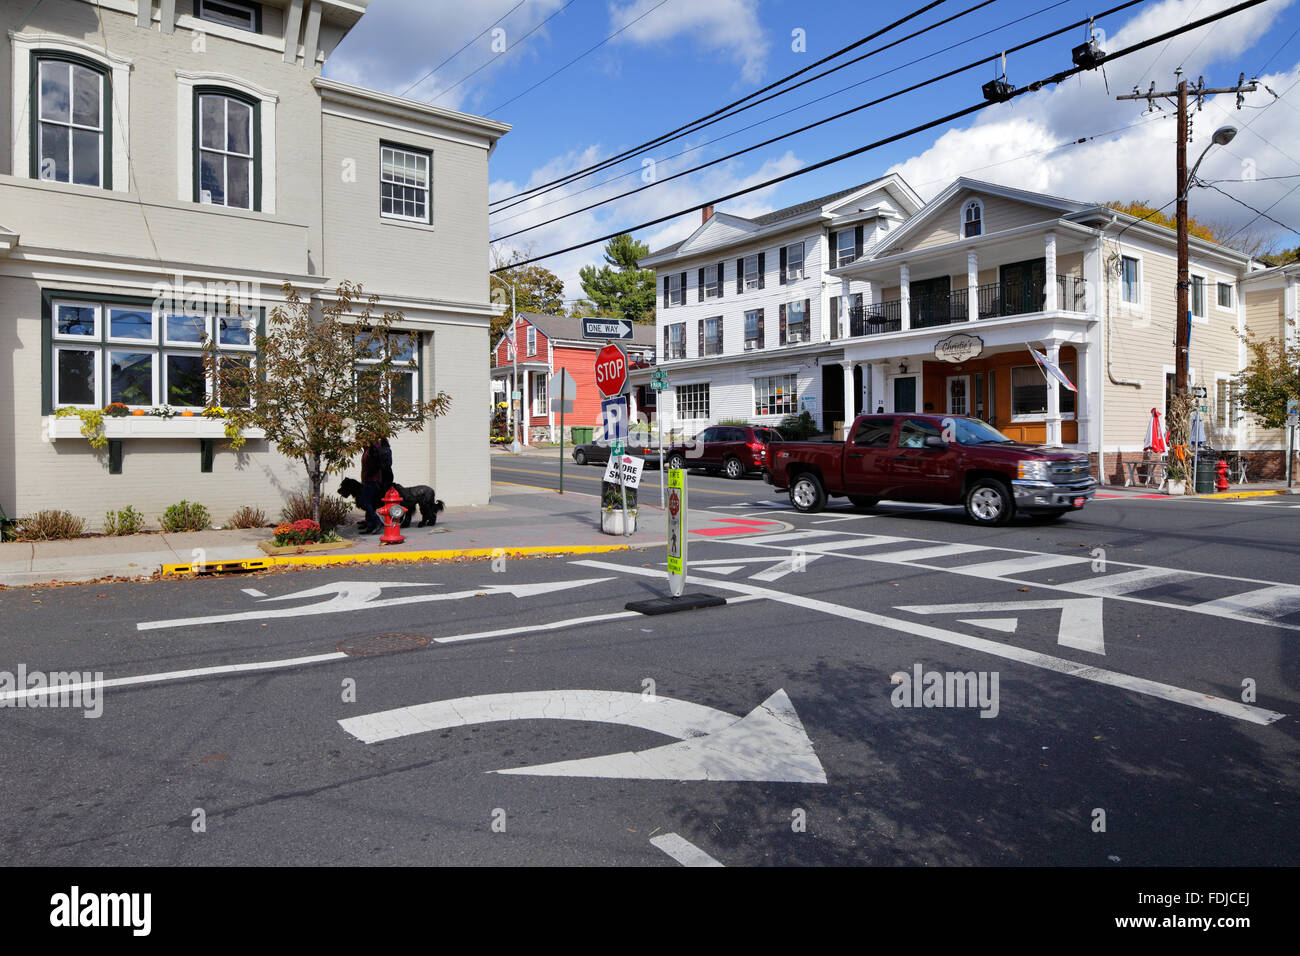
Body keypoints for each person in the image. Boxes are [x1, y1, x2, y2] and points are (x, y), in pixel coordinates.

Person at [358, 437, 384, 533]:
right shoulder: (368, 450)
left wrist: (369, 474)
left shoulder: (373, 450)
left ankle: (377, 522)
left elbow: (376, 465)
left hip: (371, 481)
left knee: (366, 503)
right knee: (369, 504)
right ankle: (370, 525)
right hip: (368, 480)